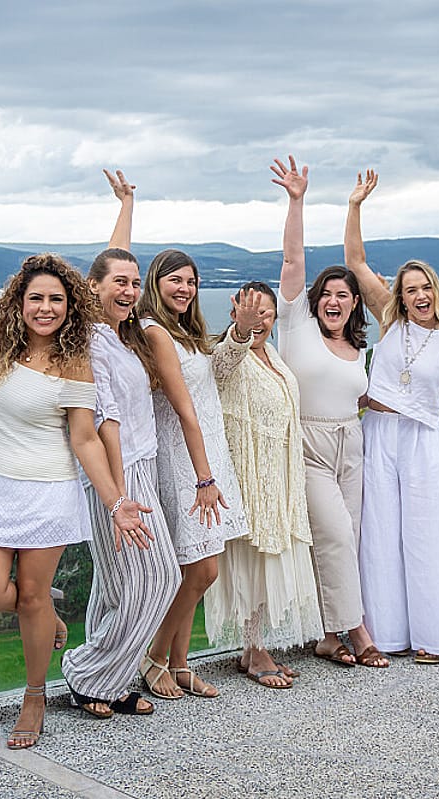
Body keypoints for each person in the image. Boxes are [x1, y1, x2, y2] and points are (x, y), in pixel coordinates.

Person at [0, 242, 154, 740]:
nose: (46, 308)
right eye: (36, 298)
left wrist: (116, 502)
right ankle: (42, 610)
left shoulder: (74, 362)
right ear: (19, 301)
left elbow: (85, 437)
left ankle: (34, 697)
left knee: (30, 594)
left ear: (70, 305)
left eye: (56, 299)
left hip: (48, 491)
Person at [345, 170, 439, 663]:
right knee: (382, 532)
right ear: (401, 295)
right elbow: (355, 262)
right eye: (410, 289)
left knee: (430, 532)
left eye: (425, 287)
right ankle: (387, 634)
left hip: (426, 442)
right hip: (380, 436)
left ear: (436, 290)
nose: (419, 295)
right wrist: (355, 205)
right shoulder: (390, 321)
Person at [61, 171, 183, 717]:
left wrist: (129, 202)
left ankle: (110, 676)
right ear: (93, 289)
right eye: (120, 283)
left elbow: (116, 257)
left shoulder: (116, 332)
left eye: (136, 283)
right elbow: (102, 420)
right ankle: (90, 672)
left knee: (121, 585)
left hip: (142, 466)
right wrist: (117, 497)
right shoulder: (87, 335)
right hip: (117, 474)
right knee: (155, 577)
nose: (130, 291)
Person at [270, 156, 388, 669]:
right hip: (309, 444)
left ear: (354, 306)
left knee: (348, 538)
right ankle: (356, 631)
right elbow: (293, 261)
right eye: (329, 294)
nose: (336, 300)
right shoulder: (296, 326)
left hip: (351, 441)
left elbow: (357, 395)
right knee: (336, 534)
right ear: (315, 301)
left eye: (345, 294)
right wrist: (297, 201)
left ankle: (324, 633)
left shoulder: (357, 348)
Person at [137, 249, 251, 699]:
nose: (185, 289)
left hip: (208, 452)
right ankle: (154, 655)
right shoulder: (153, 331)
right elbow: (182, 410)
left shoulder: (186, 331)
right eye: (176, 280)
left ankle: (180, 664)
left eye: (192, 281)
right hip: (183, 457)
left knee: (197, 567)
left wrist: (241, 330)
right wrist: (204, 479)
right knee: (201, 570)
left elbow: (210, 383)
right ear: (156, 282)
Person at [205, 279, 325, 688]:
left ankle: (253, 647)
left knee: (268, 559)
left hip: (279, 474)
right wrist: (241, 330)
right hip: (246, 474)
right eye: (251, 312)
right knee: (252, 562)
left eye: (267, 314)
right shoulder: (227, 350)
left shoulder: (272, 353)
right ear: (236, 312)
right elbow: (222, 365)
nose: (260, 321)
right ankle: (254, 651)